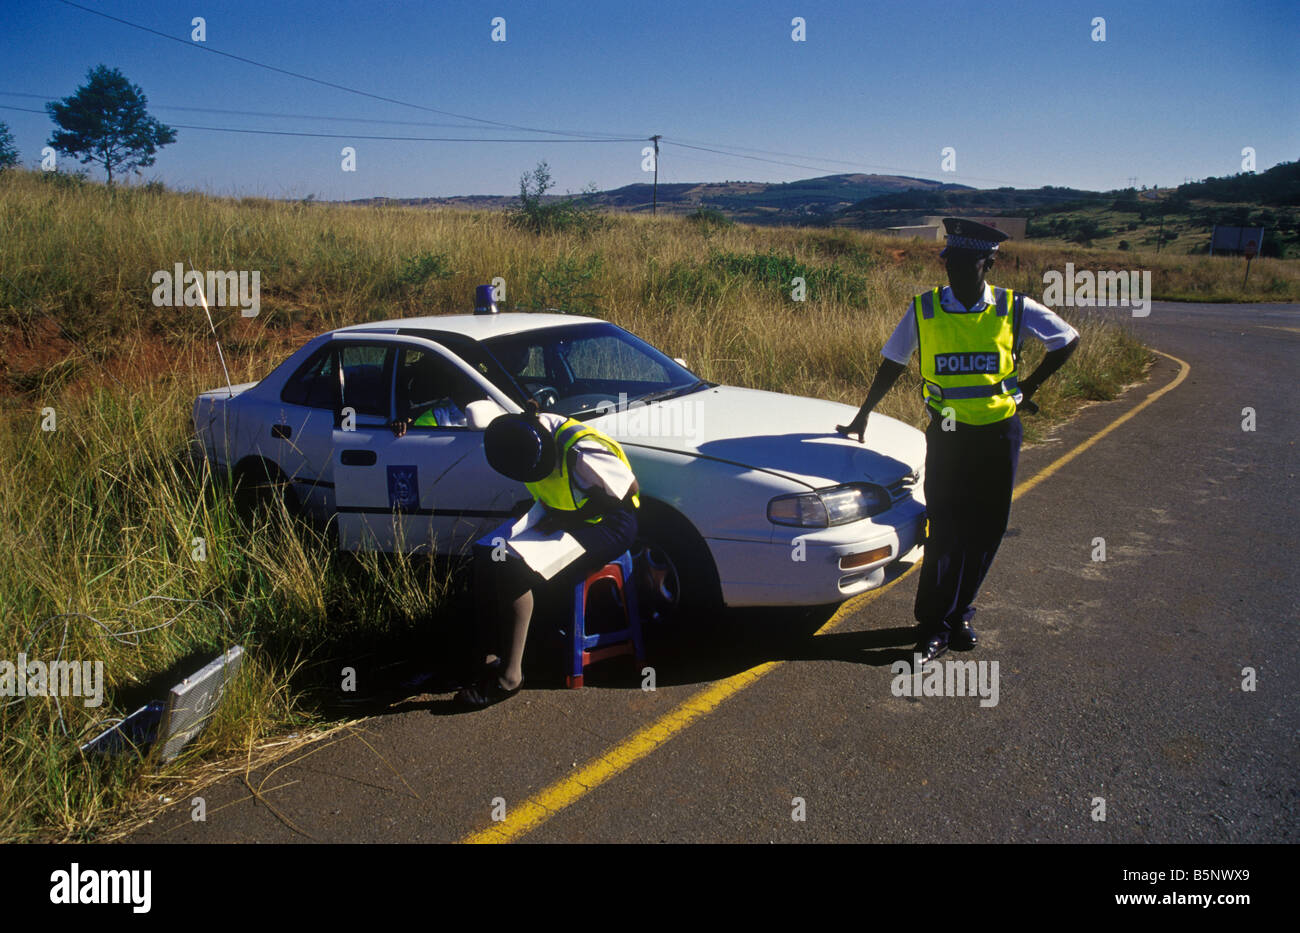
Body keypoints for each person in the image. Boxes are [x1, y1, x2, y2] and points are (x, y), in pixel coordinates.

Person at [836, 218, 1080, 665]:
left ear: (988, 262)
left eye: (967, 263)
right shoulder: (925, 309)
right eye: (950, 262)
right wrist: (863, 414)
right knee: (947, 531)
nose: (954, 271)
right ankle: (932, 626)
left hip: (999, 434)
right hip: (948, 437)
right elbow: (893, 362)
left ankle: (961, 613)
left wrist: (1029, 387)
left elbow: (1065, 340)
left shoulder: (1013, 308)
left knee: (986, 531)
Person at [454, 406, 640, 709]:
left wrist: (570, 519)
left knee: (515, 570)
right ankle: (489, 655)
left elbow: (629, 490)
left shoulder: (580, 450)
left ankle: (510, 677)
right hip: (564, 518)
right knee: (488, 555)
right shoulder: (520, 438)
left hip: (608, 525)